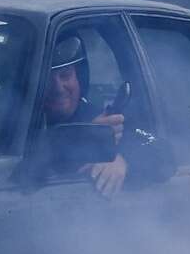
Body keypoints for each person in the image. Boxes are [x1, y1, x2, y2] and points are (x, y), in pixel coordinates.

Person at [42, 34, 173, 197]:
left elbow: (163, 152)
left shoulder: (101, 121)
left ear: (80, 78)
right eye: (45, 79)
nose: (58, 88)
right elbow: (21, 170)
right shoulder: (8, 126)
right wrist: (77, 142)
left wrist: (123, 159)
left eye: (65, 75)